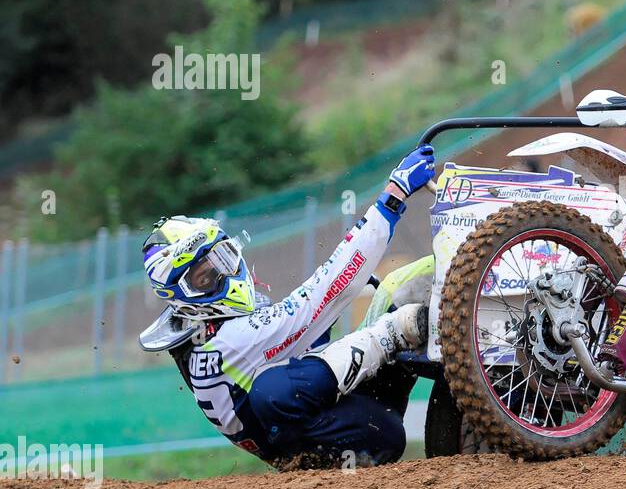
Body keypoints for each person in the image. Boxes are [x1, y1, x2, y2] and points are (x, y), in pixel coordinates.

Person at [137, 145, 439, 469]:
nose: (223, 275)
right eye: (205, 278)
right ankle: (397, 334)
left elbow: (314, 330)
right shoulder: (228, 340)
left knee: (401, 285)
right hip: (365, 435)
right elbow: (324, 291)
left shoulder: (201, 333)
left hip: (344, 409)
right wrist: (393, 196)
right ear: (181, 297)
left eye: (222, 258)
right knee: (275, 388)